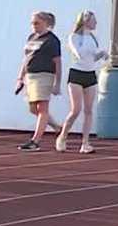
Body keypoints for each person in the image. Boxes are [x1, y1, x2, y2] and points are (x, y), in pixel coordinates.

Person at [56, 11, 108, 153]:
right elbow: (79, 54)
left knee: (89, 110)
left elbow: (91, 58)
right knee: (76, 110)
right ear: (85, 22)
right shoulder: (74, 37)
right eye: (93, 20)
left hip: (90, 74)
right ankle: (62, 136)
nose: (96, 23)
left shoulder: (93, 37)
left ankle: (85, 143)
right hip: (76, 74)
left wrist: (102, 54)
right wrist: (85, 35)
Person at [16, 11, 62, 151]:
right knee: (32, 109)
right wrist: (20, 77)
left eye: (37, 23)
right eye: (32, 23)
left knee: (42, 108)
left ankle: (35, 141)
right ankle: (57, 127)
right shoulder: (32, 37)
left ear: (46, 24)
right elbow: (26, 59)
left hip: (44, 75)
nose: (34, 26)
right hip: (30, 76)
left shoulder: (52, 40)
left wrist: (57, 83)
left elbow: (58, 62)